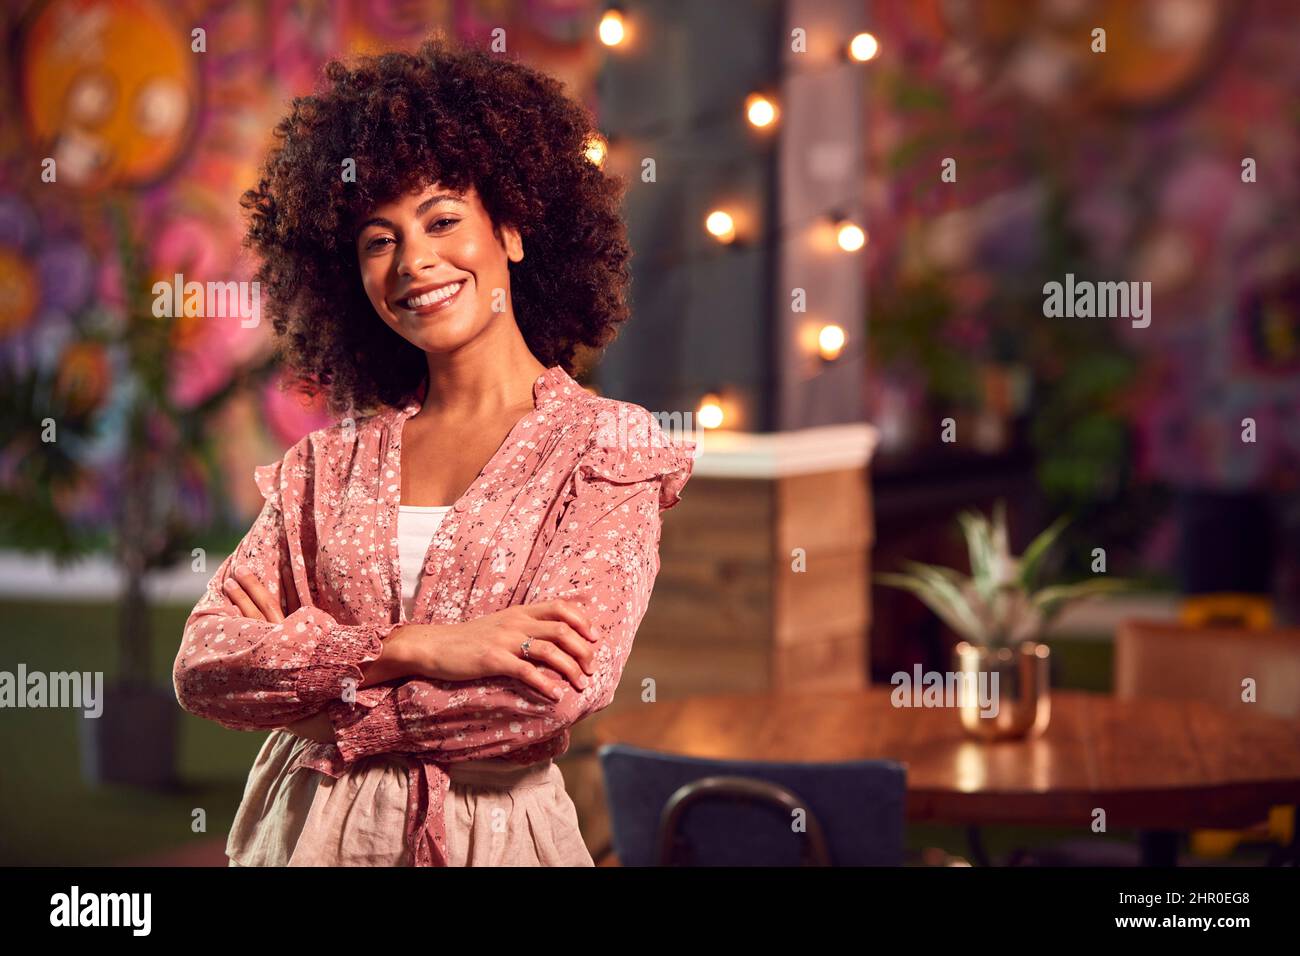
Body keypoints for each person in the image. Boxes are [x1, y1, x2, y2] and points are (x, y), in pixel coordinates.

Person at [172, 36, 694, 867]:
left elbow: (548, 698)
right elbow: (205, 665)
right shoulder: (323, 468)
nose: (414, 261)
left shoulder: (607, 447)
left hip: (496, 843)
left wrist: (313, 704)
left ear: (514, 232)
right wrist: (415, 648)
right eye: (379, 240)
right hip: (300, 840)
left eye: (443, 220)